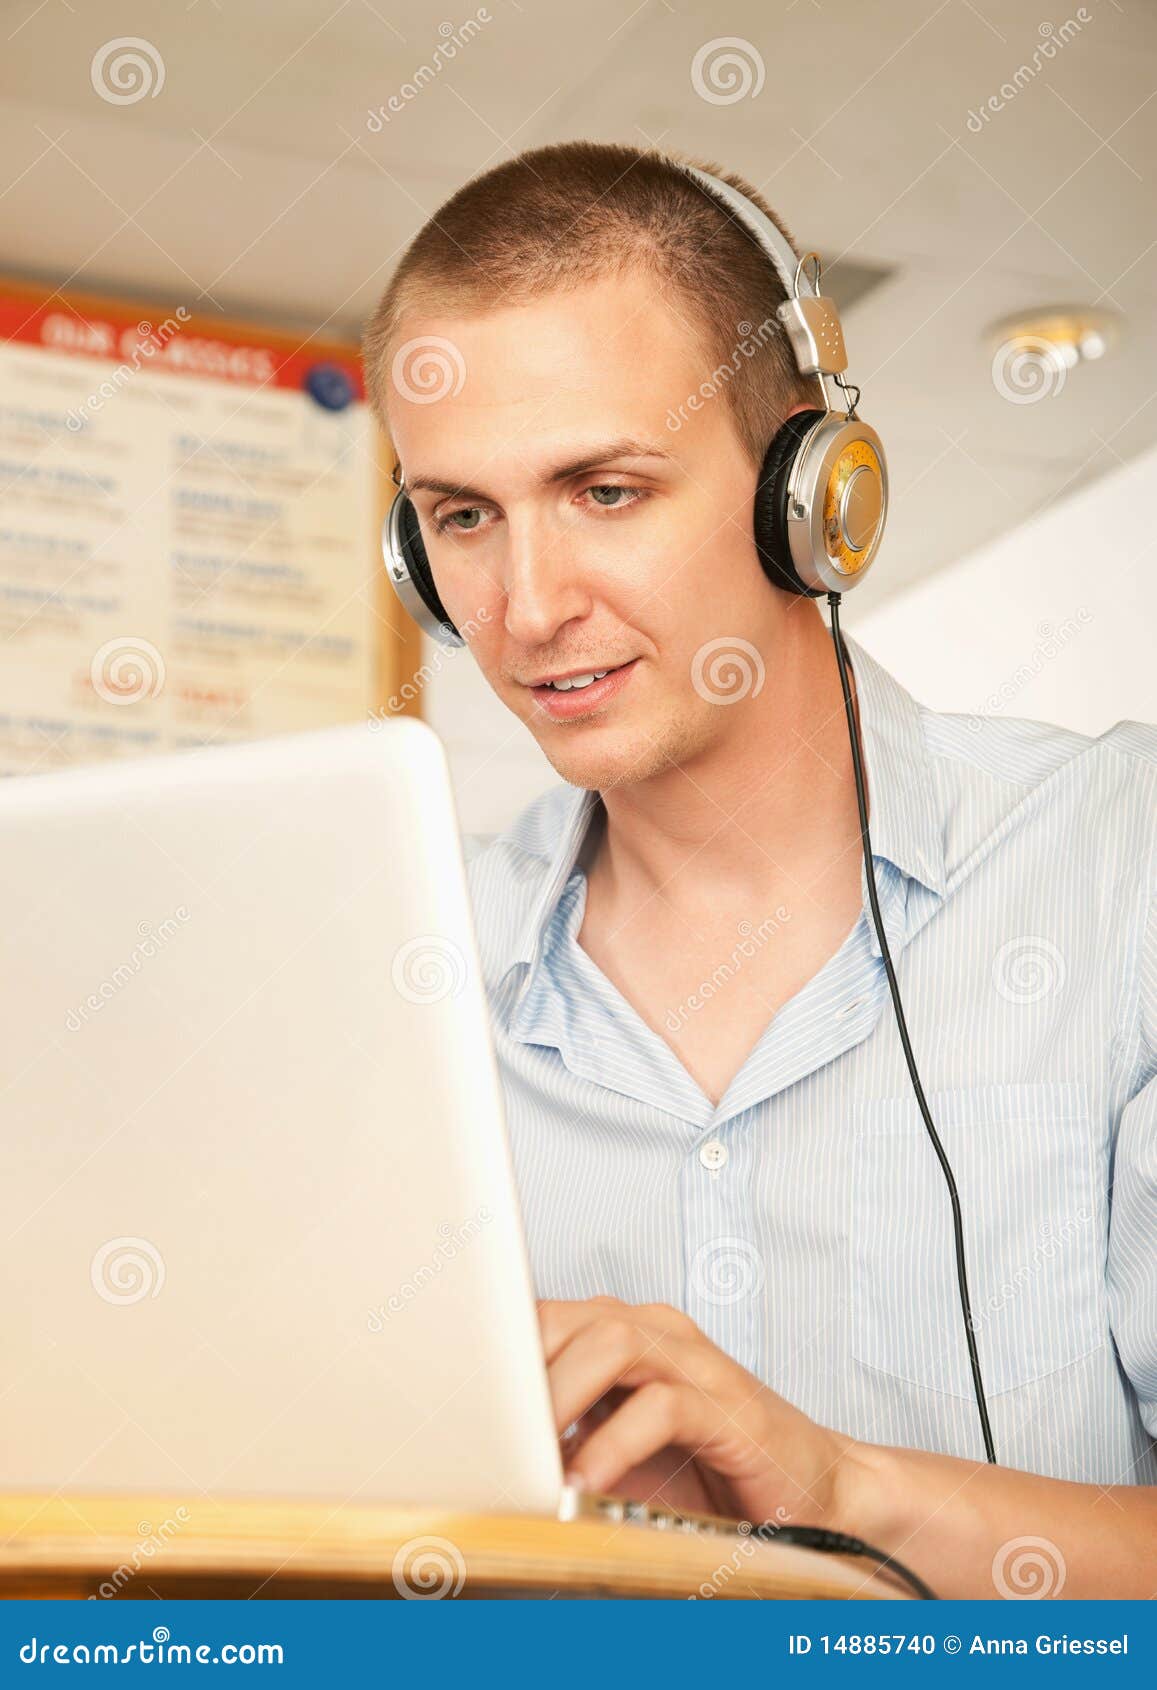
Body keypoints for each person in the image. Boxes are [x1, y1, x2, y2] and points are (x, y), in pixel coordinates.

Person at [362, 140, 1156, 1598]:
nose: (525, 608)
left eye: (604, 488)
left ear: (813, 490)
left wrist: (841, 1488)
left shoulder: (1120, 868)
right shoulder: (402, 957)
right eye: (462, 516)